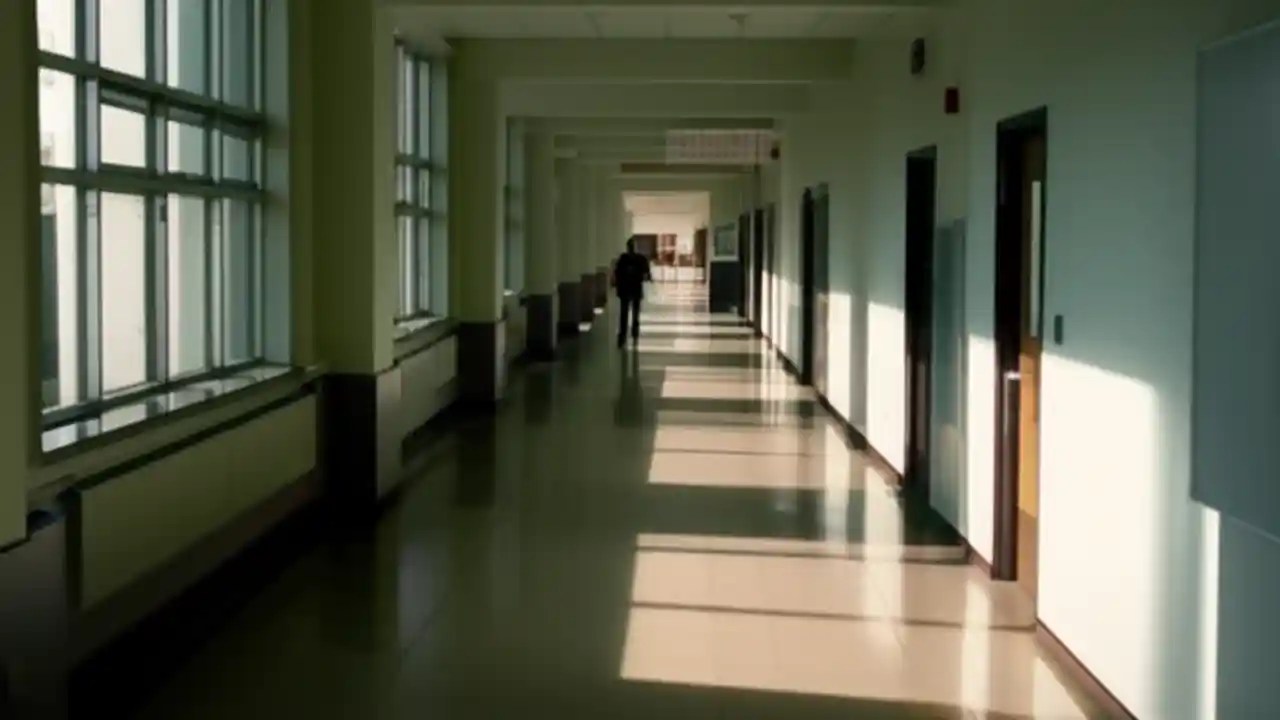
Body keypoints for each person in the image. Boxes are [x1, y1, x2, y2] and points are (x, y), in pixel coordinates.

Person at [612, 239, 652, 348]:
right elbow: (647, 274)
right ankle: (631, 334)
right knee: (631, 313)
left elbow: (617, 273)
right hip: (632, 289)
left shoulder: (625, 259)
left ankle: (626, 335)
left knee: (627, 313)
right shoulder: (638, 259)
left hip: (628, 289)